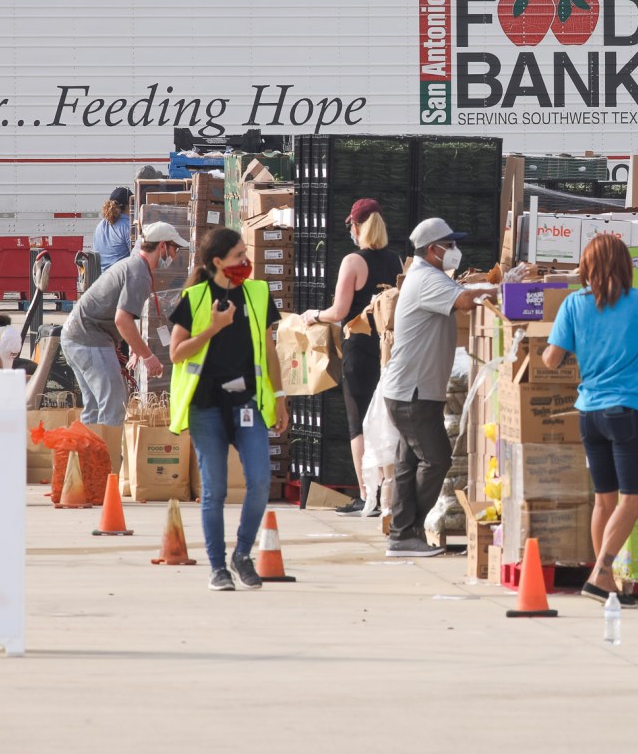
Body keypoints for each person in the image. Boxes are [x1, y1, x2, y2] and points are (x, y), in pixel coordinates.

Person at [543, 234, 638, 607]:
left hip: (589, 413)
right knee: (633, 500)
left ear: (587, 267)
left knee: (604, 500)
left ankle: (608, 587)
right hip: (628, 411)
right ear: (625, 265)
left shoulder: (573, 304)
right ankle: (601, 573)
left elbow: (551, 360)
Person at [168, 227, 288, 592]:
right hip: (206, 406)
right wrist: (213, 329)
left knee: (260, 481)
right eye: (238, 255)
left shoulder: (257, 293)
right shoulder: (194, 298)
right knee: (215, 490)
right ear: (217, 262)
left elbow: (269, 351)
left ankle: (242, 555)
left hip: (247, 403)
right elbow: (176, 353)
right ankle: (218, 567)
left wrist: (281, 396)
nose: (245, 262)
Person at [377, 217, 491, 558]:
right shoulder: (426, 278)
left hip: (411, 389)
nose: (455, 250)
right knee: (437, 458)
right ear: (433, 250)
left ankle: (402, 534)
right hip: (412, 392)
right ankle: (406, 531)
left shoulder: (431, 277)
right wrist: (503, 290)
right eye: (450, 245)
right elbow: (467, 302)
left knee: (409, 464)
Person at [302, 198, 402, 516]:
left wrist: (312, 315)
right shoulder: (396, 261)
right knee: (385, 422)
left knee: (357, 425)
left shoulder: (353, 262)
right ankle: (387, 492)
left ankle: (366, 495)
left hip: (358, 348)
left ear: (357, 227)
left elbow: (339, 311)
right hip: (387, 350)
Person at [61, 220, 187, 425]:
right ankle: (106, 456)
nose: (175, 255)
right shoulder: (139, 273)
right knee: (114, 407)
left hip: (75, 337)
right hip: (89, 340)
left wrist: (136, 348)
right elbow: (122, 320)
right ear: (162, 246)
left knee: (94, 409)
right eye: (175, 248)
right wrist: (148, 356)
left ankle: (84, 455)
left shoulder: (134, 265)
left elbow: (123, 315)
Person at [95, 187, 133, 273]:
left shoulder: (100, 225)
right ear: (128, 206)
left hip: (102, 279)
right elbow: (137, 257)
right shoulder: (128, 226)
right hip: (120, 280)